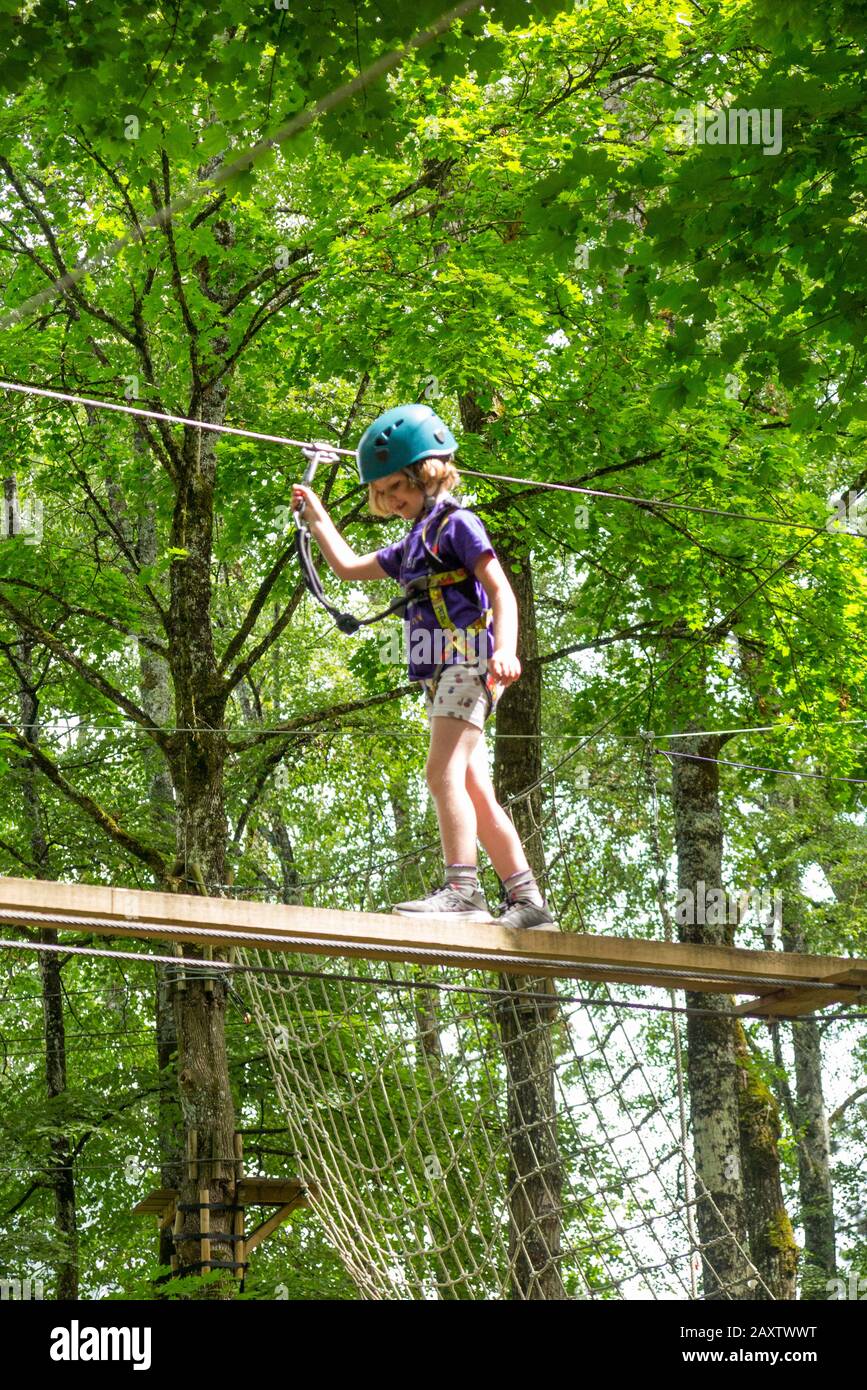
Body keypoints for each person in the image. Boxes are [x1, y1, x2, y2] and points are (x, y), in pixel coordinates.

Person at [291, 402, 558, 931]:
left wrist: (507, 650)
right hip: (443, 675)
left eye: (398, 486)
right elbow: (346, 567)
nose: (392, 499)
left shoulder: (457, 525)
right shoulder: (412, 545)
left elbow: (501, 591)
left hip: (469, 662)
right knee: (474, 788)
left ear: (428, 471)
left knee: (440, 774)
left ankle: (463, 890)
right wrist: (316, 517)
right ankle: (529, 904)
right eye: (383, 492)